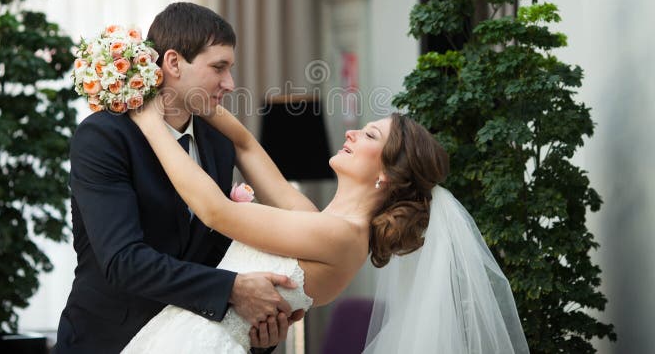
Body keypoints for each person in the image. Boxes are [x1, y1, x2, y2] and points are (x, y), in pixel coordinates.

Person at [124, 102, 530, 353]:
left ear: (387, 174)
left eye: (369, 134)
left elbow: (215, 211)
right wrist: (194, 96)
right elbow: (247, 145)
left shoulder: (343, 238)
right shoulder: (317, 221)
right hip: (178, 332)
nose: (351, 132)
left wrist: (146, 116)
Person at [54, 3, 301, 354]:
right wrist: (232, 289)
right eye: (218, 68)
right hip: (108, 341)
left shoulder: (217, 143)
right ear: (172, 63)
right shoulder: (103, 137)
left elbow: (215, 253)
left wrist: (259, 331)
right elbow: (123, 261)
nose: (229, 84)